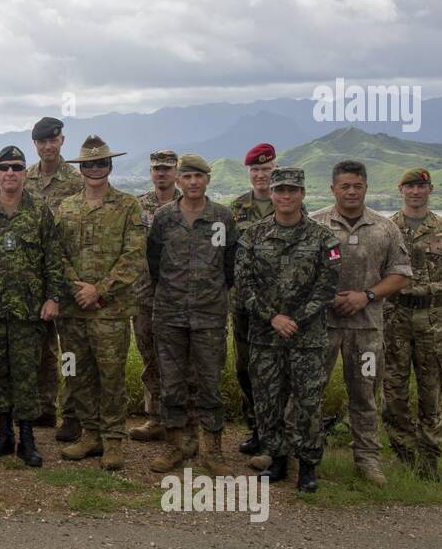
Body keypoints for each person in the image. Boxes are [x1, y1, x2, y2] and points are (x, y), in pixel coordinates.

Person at [234, 168, 341, 492]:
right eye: (281, 190)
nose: (286, 196)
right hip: (266, 335)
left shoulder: (324, 239)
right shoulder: (253, 235)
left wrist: (297, 318)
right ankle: (276, 458)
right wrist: (273, 318)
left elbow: (327, 287)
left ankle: (308, 466)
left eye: (293, 190)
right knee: (267, 399)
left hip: (306, 337)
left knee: (308, 403)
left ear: (303, 194)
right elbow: (243, 283)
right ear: (273, 193)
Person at [310, 160, 412, 486]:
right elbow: (302, 275)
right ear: (333, 188)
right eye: (345, 186)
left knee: (365, 393)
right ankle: (303, 453)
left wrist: (365, 296)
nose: (351, 191)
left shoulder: (385, 228)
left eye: (357, 185)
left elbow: (400, 276)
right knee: (309, 390)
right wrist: (328, 298)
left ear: (366, 187)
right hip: (322, 326)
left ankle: (367, 459)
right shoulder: (316, 225)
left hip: (367, 329)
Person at [0, 145, 64, 467]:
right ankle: (4, 433)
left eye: (17, 167)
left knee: (25, 374)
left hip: (28, 310)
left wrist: (53, 298)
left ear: (24, 173)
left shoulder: (40, 212)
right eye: (4, 167)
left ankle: (28, 438)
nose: (10, 172)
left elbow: (54, 259)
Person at [54, 136, 145, 470]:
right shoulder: (66, 207)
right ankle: (90, 434)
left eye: (101, 163)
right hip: (73, 308)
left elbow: (134, 256)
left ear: (110, 166)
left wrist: (100, 289)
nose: (95, 169)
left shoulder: (128, 206)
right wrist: (77, 287)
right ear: (81, 169)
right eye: (89, 164)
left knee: (111, 376)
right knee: (77, 372)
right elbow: (57, 253)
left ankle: (113, 441)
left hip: (111, 309)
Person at [146, 154, 239, 476]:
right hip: (169, 313)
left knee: (209, 385)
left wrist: (209, 294)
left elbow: (230, 267)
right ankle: (176, 447)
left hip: (209, 315)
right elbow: (153, 263)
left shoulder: (222, 218)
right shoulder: (163, 218)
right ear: (178, 180)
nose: (194, 182)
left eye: (199, 176)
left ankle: (212, 451)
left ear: (208, 180)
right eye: (187, 177)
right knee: (171, 384)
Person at [383, 168, 442, 481]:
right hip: (396, 316)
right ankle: (404, 456)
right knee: (394, 389)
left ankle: (430, 462)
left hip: (432, 319)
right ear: (400, 189)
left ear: (430, 189)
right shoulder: (387, 228)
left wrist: (430, 294)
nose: (415, 191)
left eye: (421, 186)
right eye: (410, 186)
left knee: (431, 390)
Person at [24, 116, 86, 440]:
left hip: (67, 276)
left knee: (69, 351)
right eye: (42, 141)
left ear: (62, 141)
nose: (48, 146)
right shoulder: (26, 179)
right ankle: (43, 406)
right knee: (41, 347)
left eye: (53, 140)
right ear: (35, 144)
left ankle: (72, 414)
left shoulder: (76, 181)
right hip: (37, 276)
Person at [129, 149, 181, 443]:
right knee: (149, 356)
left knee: (178, 358)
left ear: (176, 171)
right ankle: (155, 418)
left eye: (166, 168)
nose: (161, 173)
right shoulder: (139, 206)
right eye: (156, 169)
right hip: (144, 293)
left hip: (177, 295)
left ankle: (180, 420)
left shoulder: (188, 204)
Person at [231, 142, 277, 456]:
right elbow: (226, 255)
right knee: (245, 368)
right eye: (256, 170)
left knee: (276, 369)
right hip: (244, 303)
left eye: (266, 169)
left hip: (280, 306)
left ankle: (278, 433)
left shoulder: (291, 204)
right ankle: (256, 430)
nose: (261, 175)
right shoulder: (235, 209)